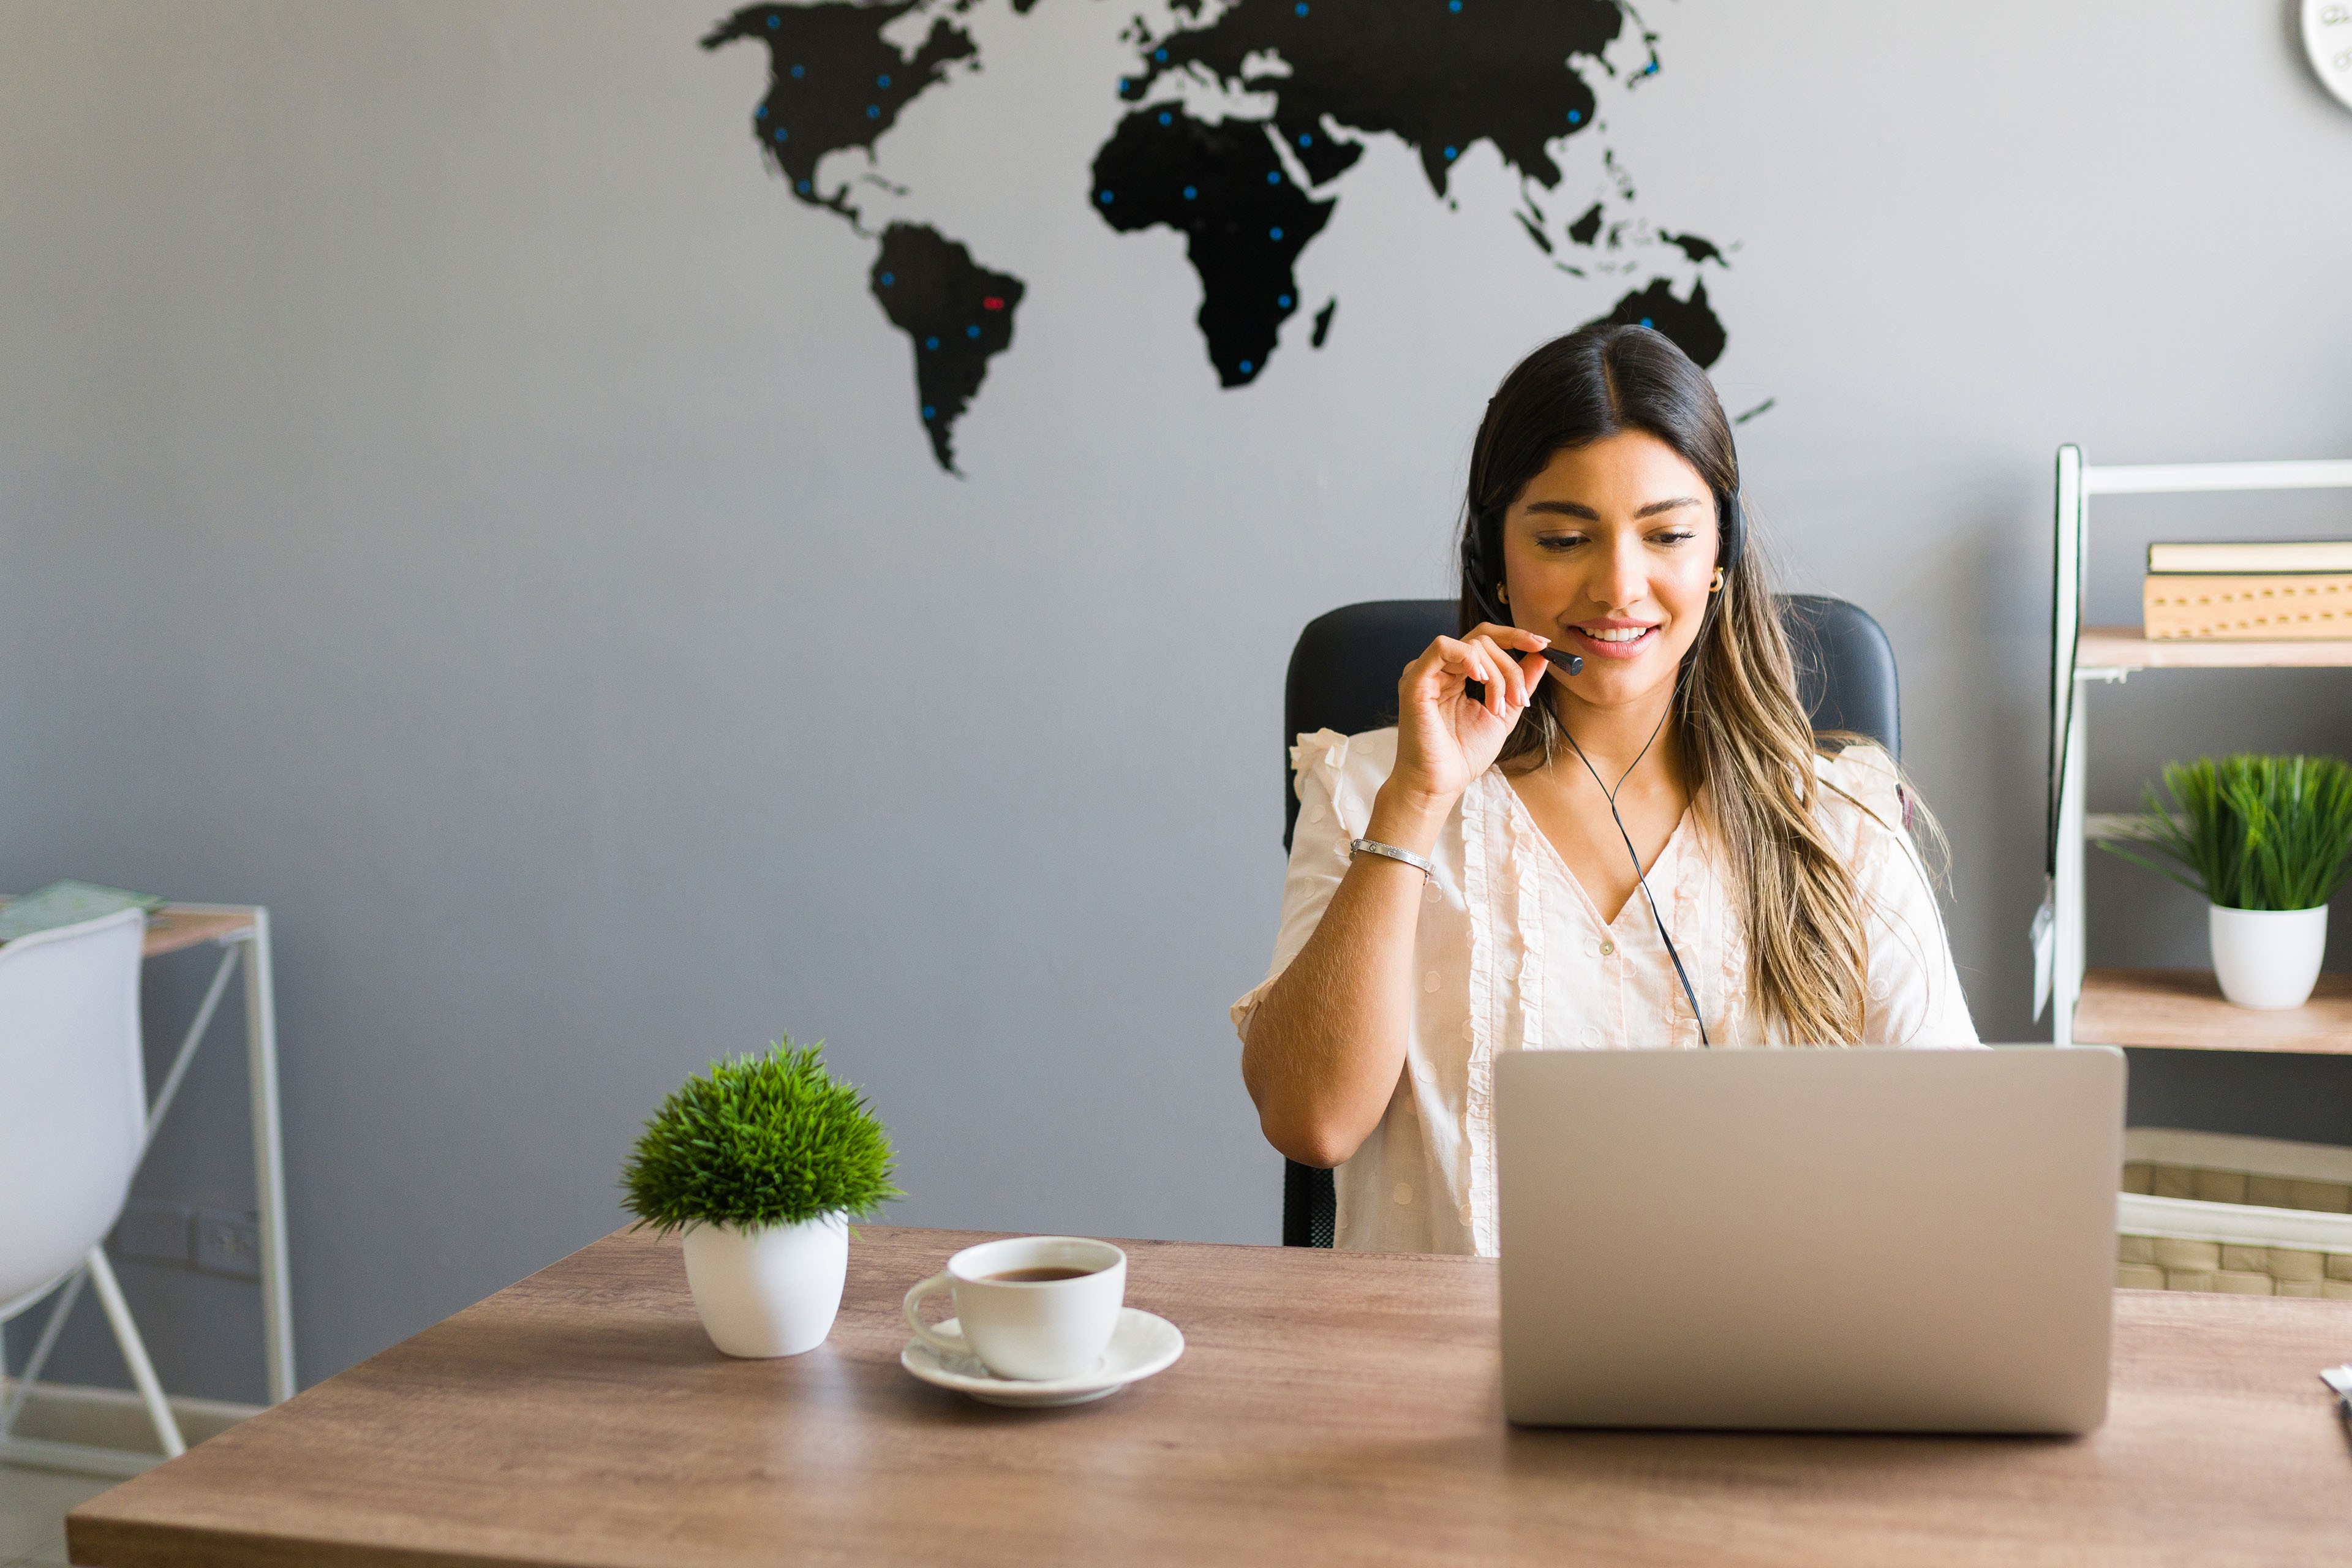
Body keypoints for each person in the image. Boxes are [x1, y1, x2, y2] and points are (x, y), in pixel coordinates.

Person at [1231, 325, 1977, 1256]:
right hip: (1425, 1380)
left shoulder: (1838, 821)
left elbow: (1956, 1166)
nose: (1619, 587)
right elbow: (1311, 1125)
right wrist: (1418, 803)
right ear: (1493, 560)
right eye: (1563, 538)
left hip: (1759, 1371)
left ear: (1720, 555)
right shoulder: (1374, 786)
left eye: (1666, 534)